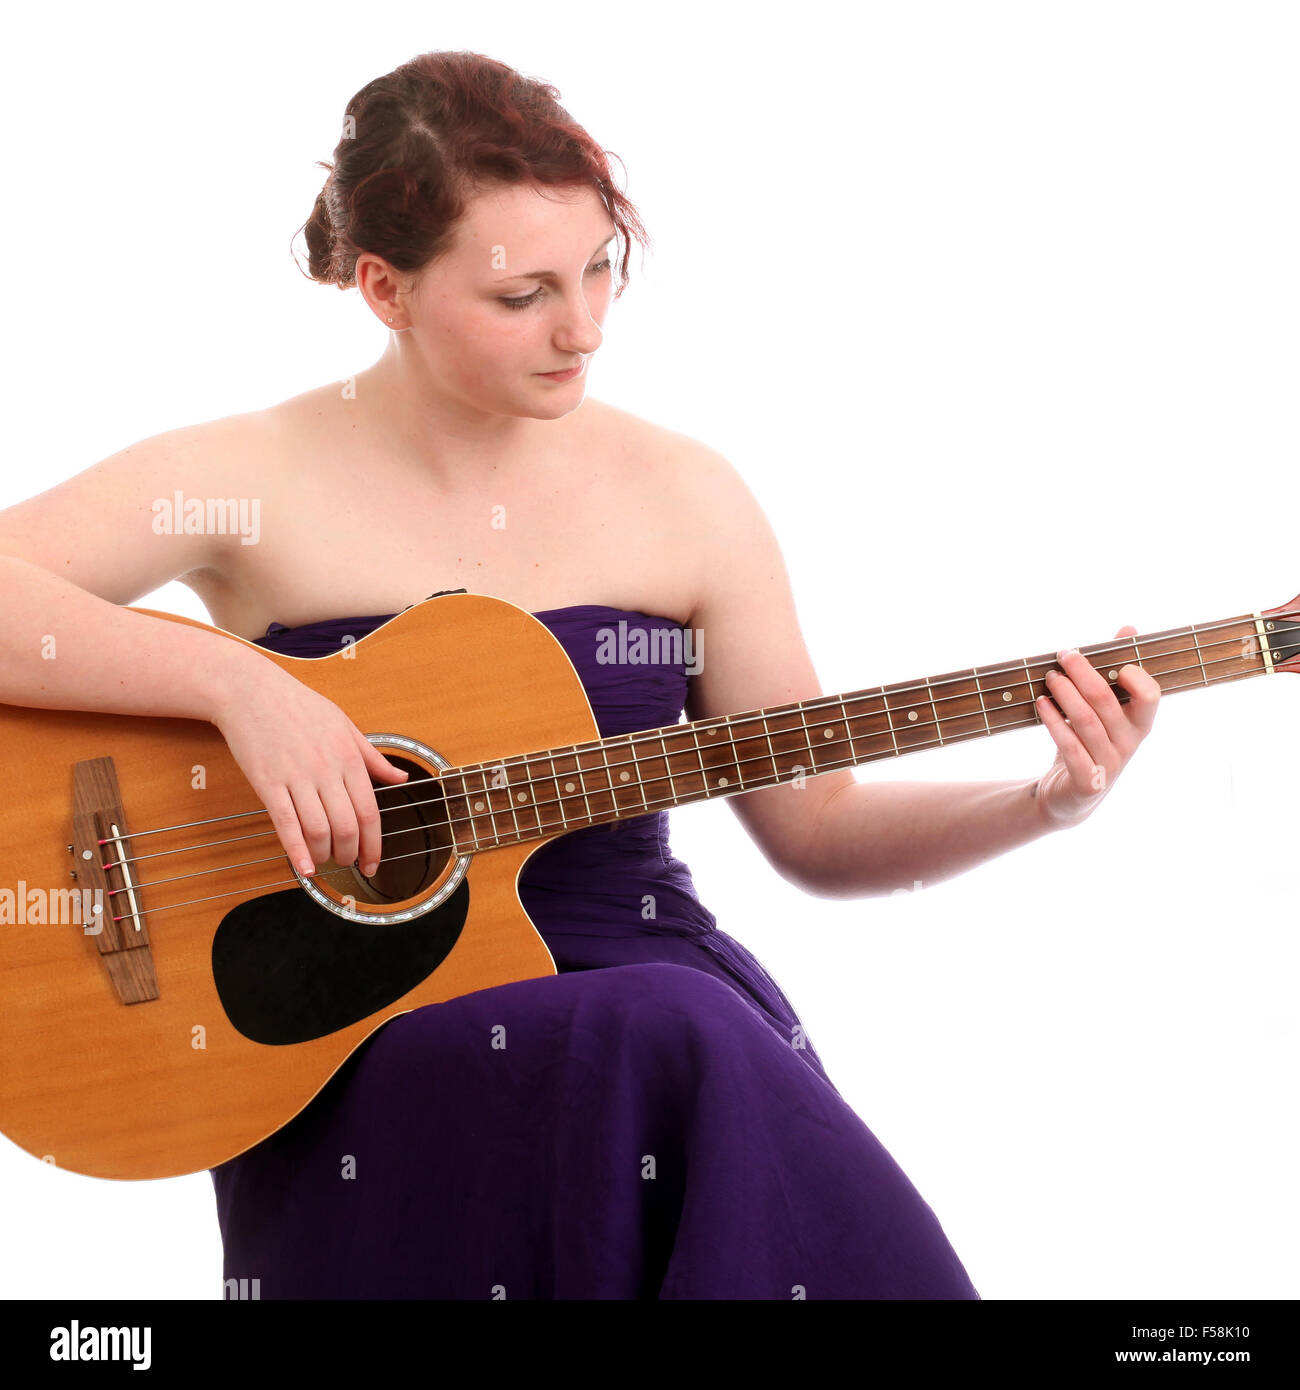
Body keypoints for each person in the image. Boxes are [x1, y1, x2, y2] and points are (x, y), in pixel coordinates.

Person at [0, 49, 1161, 1299]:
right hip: (343, 1032)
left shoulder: (686, 496)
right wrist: (244, 689)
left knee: (678, 1031)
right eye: (522, 295)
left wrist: (1044, 804)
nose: (584, 327)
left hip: (643, 984)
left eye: (602, 268)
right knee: (676, 1034)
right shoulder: (254, 474)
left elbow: (815, 826)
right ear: (384, 288)